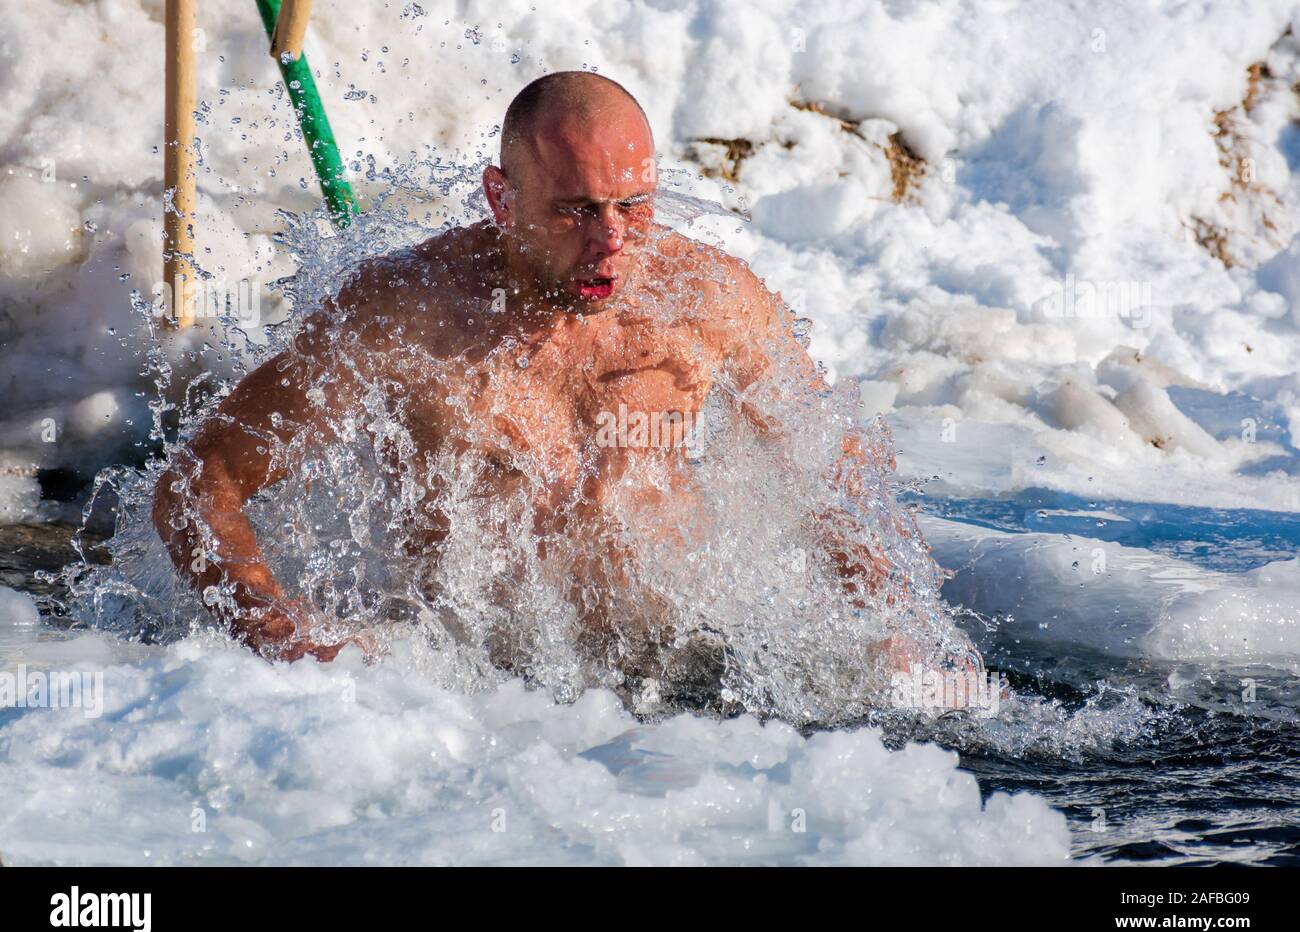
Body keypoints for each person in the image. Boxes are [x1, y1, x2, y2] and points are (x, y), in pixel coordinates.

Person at [152, 71, 903, 665]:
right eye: (575, 210)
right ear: (500, 197)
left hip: (681, 667)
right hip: (478, 684)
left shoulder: (705, 299)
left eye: (633, 207)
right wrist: (289, 639)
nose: (612, 241)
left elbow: (832, 464)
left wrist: (885, 626)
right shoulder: (405, 313)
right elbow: (199, 486)